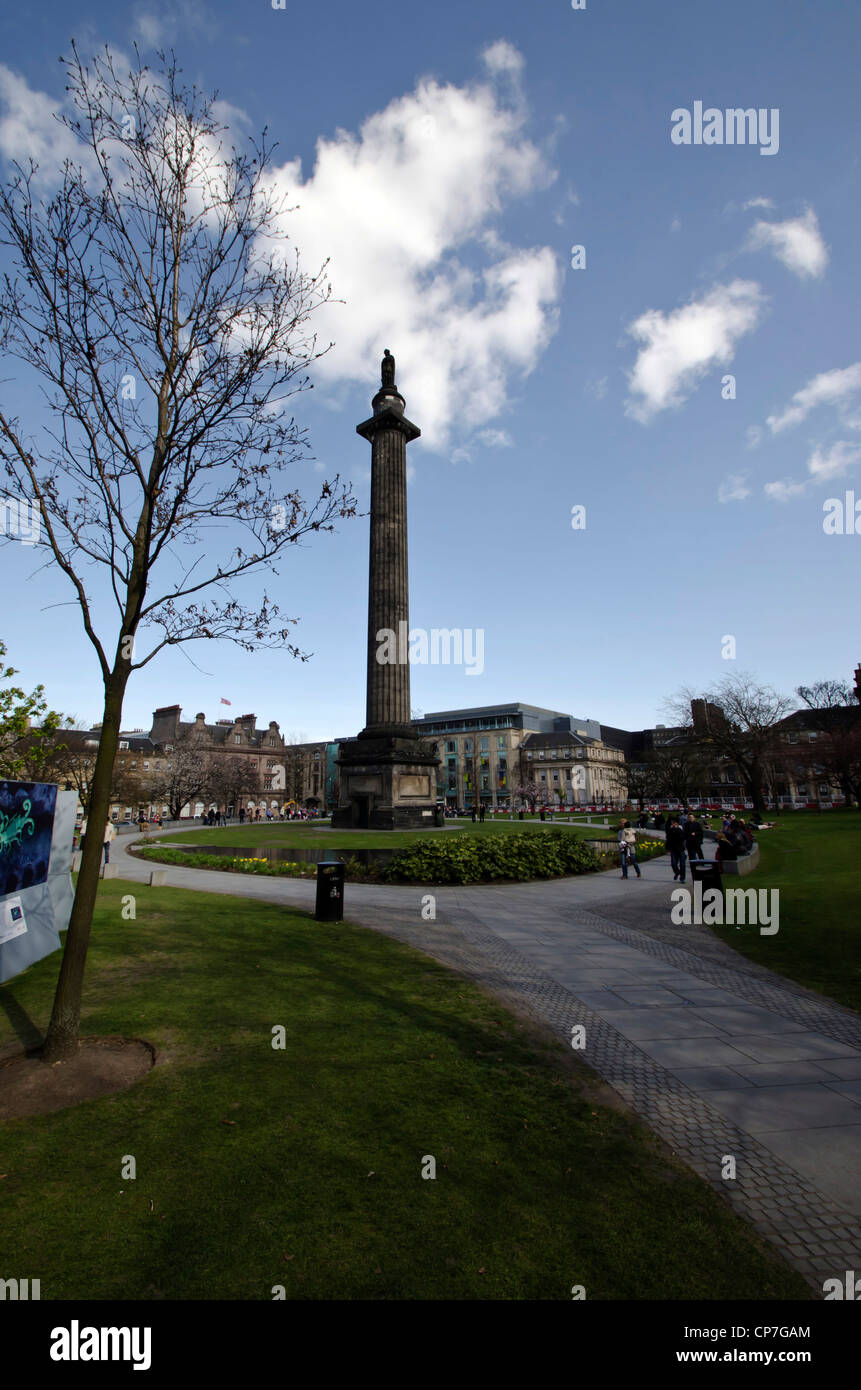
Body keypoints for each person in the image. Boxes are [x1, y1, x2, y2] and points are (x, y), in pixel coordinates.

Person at [666, 816, 687, 882]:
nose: (673, 824)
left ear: (677, 824)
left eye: (675, 823)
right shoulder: (670, 830)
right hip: (673, 849)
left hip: (680, 849)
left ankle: (682, 878)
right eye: (673, 823)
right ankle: (677, 872)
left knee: (682, 864)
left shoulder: (680, 830)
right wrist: (668, 847)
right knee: (673, 864)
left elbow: (682, 837)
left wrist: (676, 830)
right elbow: (668, 839)